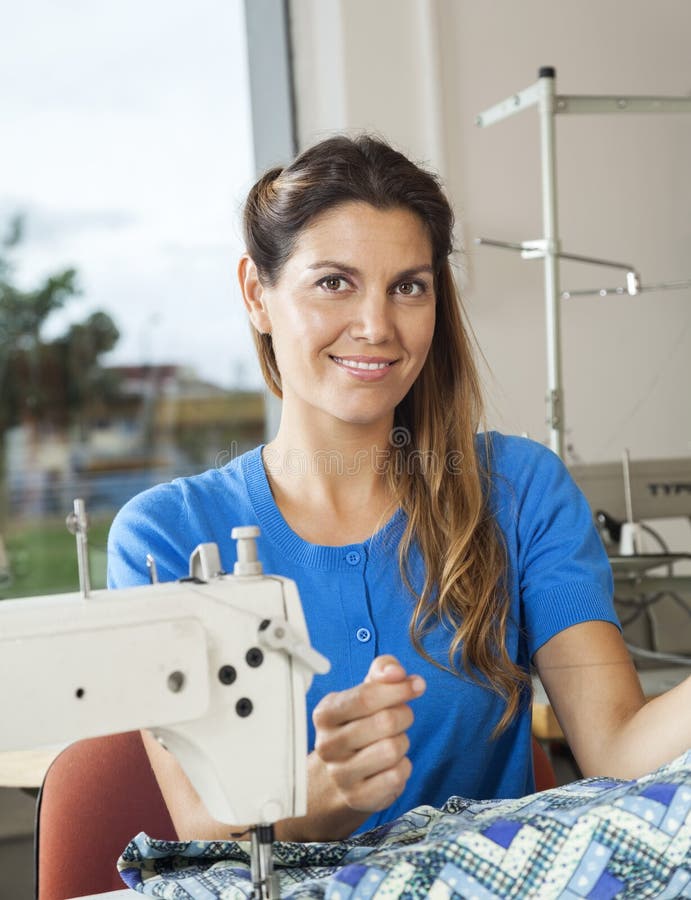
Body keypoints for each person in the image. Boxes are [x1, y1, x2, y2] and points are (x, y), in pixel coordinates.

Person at [107, 134, 691, 844]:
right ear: (257, 295)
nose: (376, 326)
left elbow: (618, 751)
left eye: (407, 286)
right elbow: (205, 828)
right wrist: (329, 793)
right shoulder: (165, 537)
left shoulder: (518, 491)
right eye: (333, 283)